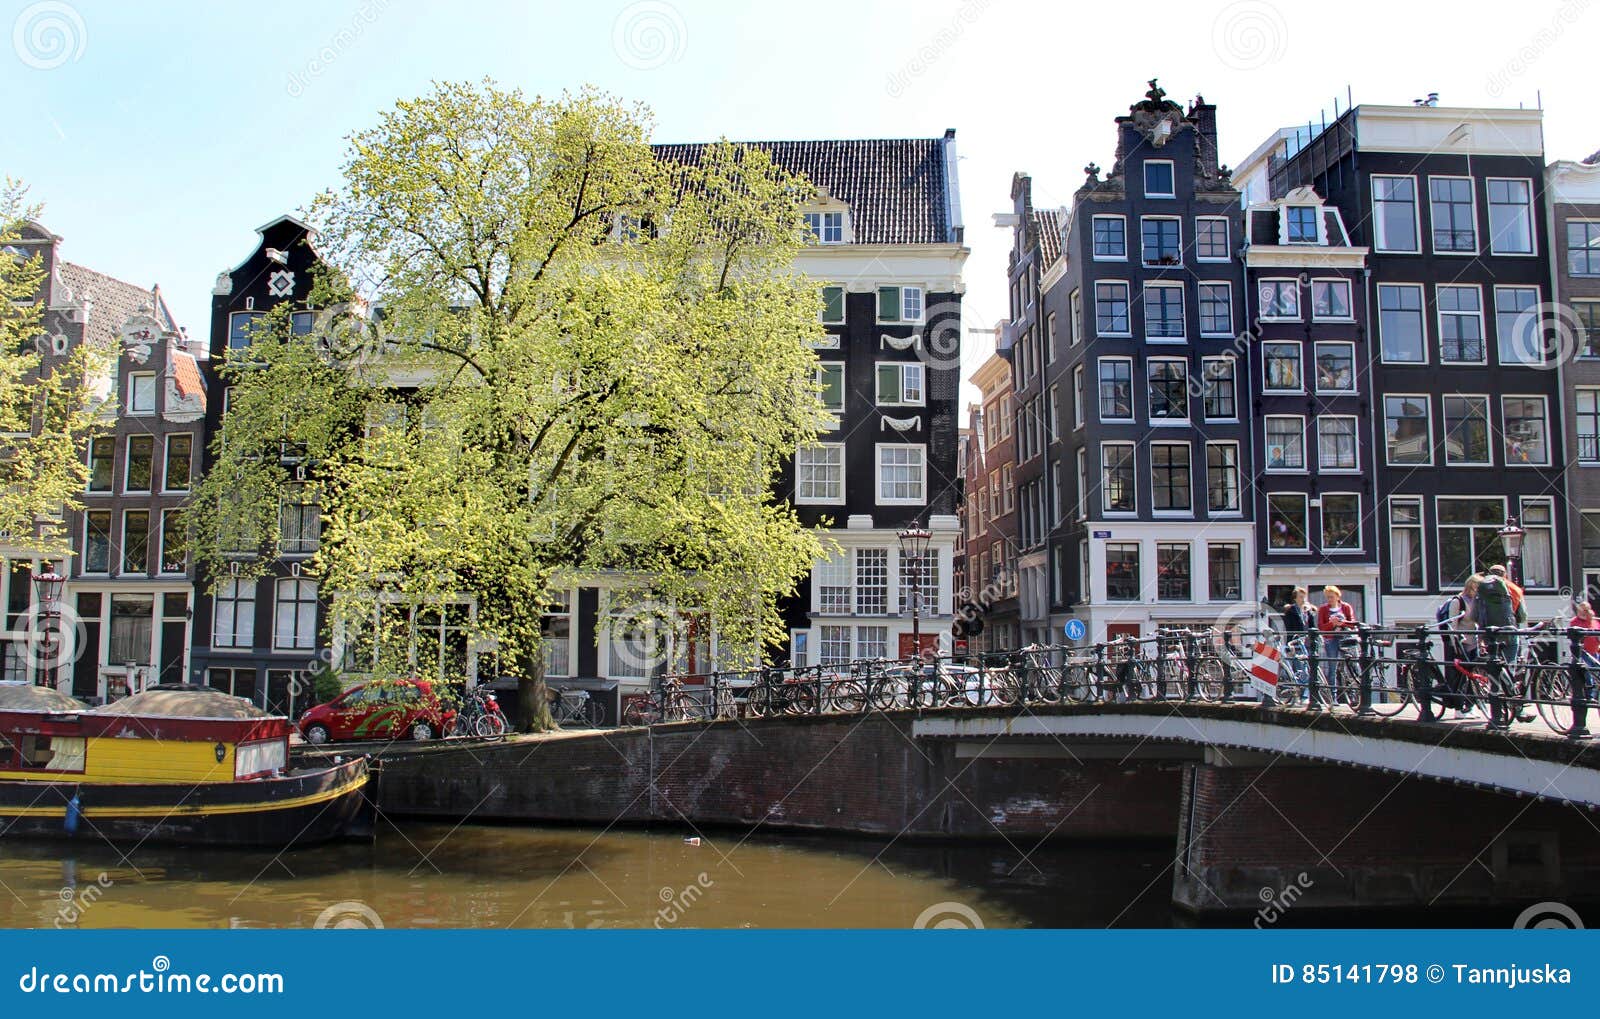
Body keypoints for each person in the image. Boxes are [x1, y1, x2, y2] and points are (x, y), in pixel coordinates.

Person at [1439, 576, 1480, 717]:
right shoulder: (1458, 601)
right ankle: (1458, 708)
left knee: (1471, 676)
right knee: (1459, 677)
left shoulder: (1477, 601)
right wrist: (1455, 646)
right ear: (1471, 586)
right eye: (1477, 588)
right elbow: (1452, 625)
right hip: (1461, 644)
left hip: (1473, 644)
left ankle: (1470, 705)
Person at [1316, 586, 1358, 708]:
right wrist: (1331, 623)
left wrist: (1341, 623)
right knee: (1332, 667)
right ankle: (1333, 697)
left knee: (1351, 666)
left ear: (1337, 597)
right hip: (1331, 639)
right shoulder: (1323, 609)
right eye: (1328, 597)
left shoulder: (1346, 607)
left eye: (1331, 597)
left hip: (1345, 638)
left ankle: (1354, 695)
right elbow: (1321, 627)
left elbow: (1352, 623)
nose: (1329, 599)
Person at [1281, 588, 1314, 691]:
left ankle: (1305, 693)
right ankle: (1303, 693)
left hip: (1308, 643)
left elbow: (1312, 626)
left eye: (1304, 596)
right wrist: (1289, 645)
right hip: (1297, 643)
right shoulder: (1290, 611)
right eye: (1300, 597)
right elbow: (1288, 629)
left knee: (1310, 668)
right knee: (1301, 669)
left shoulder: (1308, 611)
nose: (1303, 599)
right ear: (1295, 598)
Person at [1573, 600, 1600, 699]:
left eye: (1586, 610)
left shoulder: (1594, 621)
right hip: (1583, 652)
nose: (1584, 612)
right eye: (1582, 610)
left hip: (1595, 651)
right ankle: (1590, 696)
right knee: (1588, 673)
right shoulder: (1575, 622)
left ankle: (1596, 695)